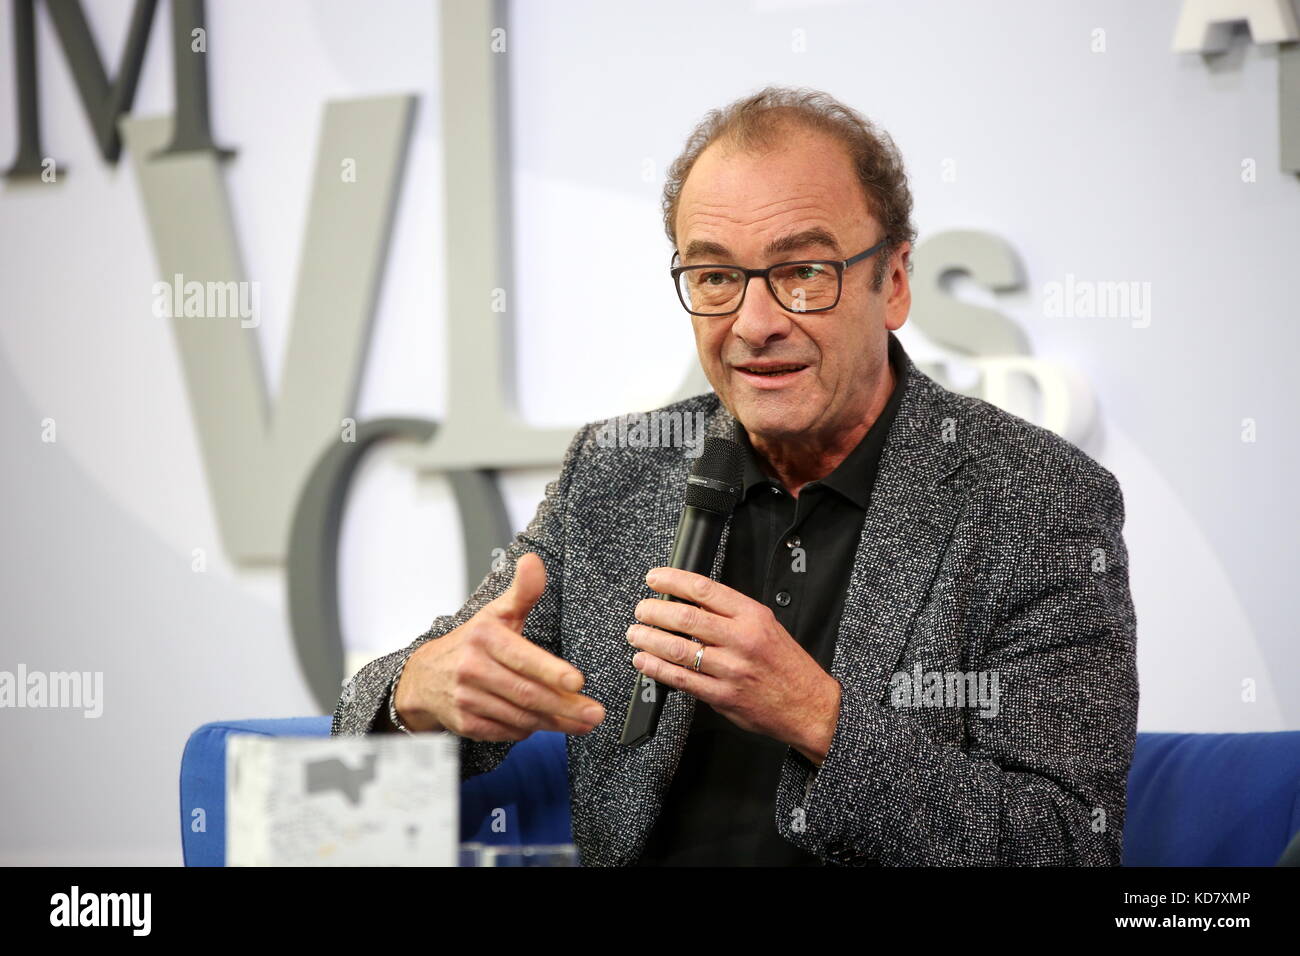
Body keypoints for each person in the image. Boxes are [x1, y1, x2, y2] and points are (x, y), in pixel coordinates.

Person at [332, 86, 1139, 867]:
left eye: (802, 272)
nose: (754, 325)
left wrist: (818, 715)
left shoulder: (1035, 497)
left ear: (891, 282)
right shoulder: (618, 475)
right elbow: (373, 737)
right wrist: (415, 695)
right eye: (716, 277)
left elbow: (1067, 843)